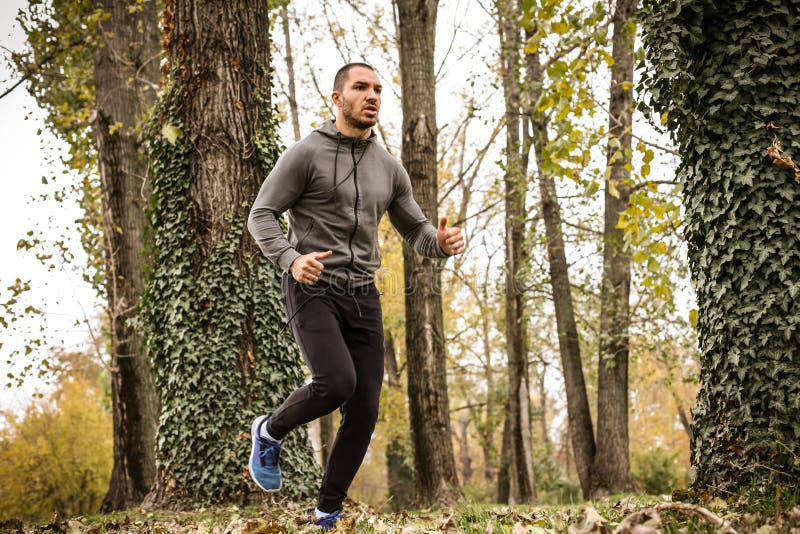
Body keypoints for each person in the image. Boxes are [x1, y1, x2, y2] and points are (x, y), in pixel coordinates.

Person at [246, 62, 465, 530]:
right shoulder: (306, 154)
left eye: (378, 90)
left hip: (364, 292)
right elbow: (261, 214)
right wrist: (291, 258)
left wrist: (441, 245)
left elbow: (419, 231)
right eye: (361, 88)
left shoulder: (389, 168)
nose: (372, 96)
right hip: (312, 285)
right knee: (336, 383)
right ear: (337, 97)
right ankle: (269, 430)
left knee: (364, 407)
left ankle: (326, 511)